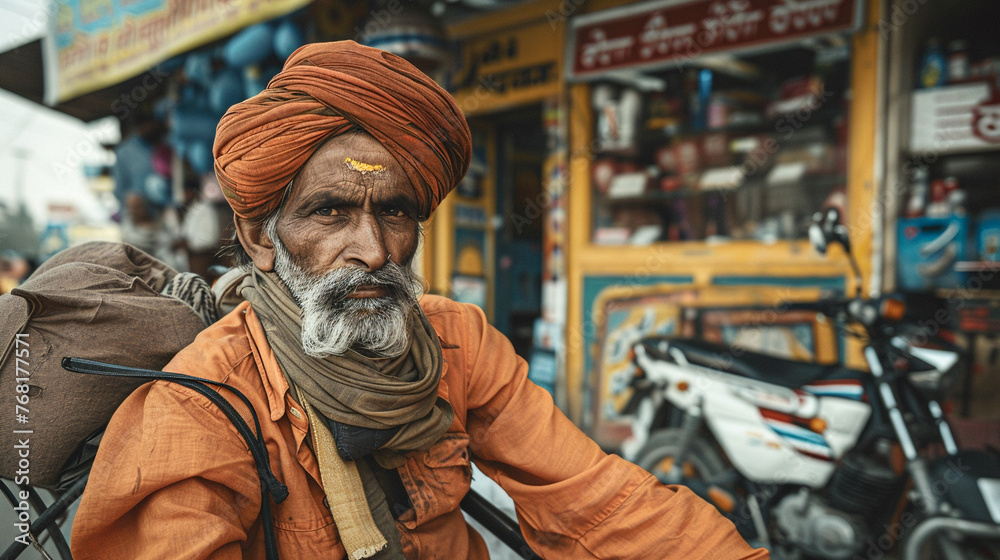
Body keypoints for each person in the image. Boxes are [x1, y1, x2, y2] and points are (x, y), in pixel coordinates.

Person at [70, 41, 768, 560]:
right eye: (331, 212)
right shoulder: (205, 402)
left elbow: (596, 499)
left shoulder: (458, 340)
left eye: (395, 212)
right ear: (260, 238)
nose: (374, 250)